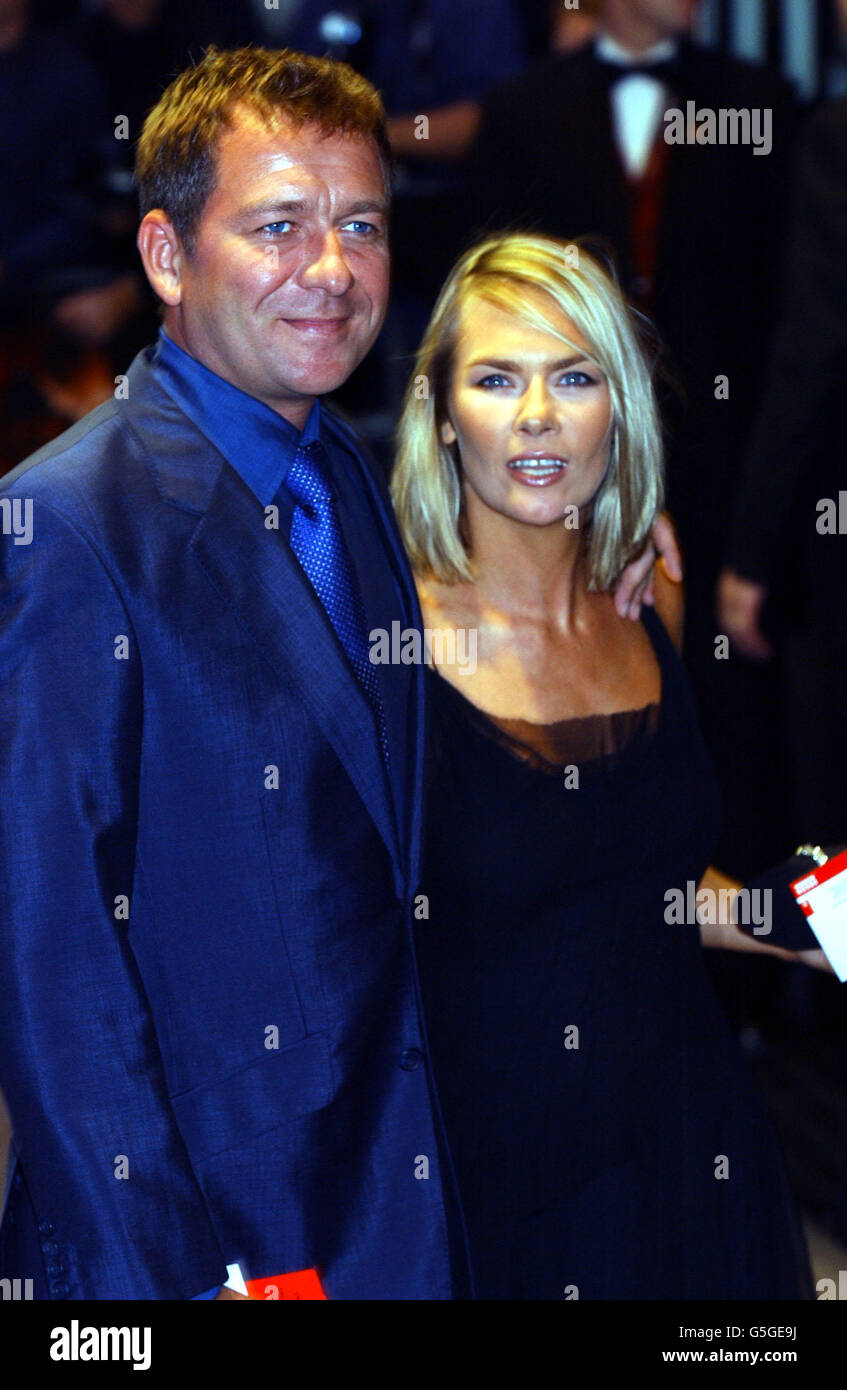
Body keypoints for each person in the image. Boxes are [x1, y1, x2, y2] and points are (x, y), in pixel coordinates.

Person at [0, 46, 678, 1301]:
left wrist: (603, 543)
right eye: (278, 226)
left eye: (359, 224)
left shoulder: (341, 479)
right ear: (163, 256)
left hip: (401, 1211)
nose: (331, 269)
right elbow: (53, 970)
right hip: (223, 1243)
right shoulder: (67, 529)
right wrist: (168, 1285)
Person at [391, 232, 822, 1298]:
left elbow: (638, 887)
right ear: (443, 415)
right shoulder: (384, 642)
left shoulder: (649, 598)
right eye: (496, 378)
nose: (536, 413)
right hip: (493, 1184)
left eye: (573, 375)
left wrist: (811, 918)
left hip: (690, 1147)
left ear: (616, 407)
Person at [462, 0, 799, 877]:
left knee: (738, 721)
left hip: (731, 467)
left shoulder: (761, 99)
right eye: (496, 384)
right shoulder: (520, 109)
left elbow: (792, 318)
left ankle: (764, 1001)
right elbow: (477, 315)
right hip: (558, 493)